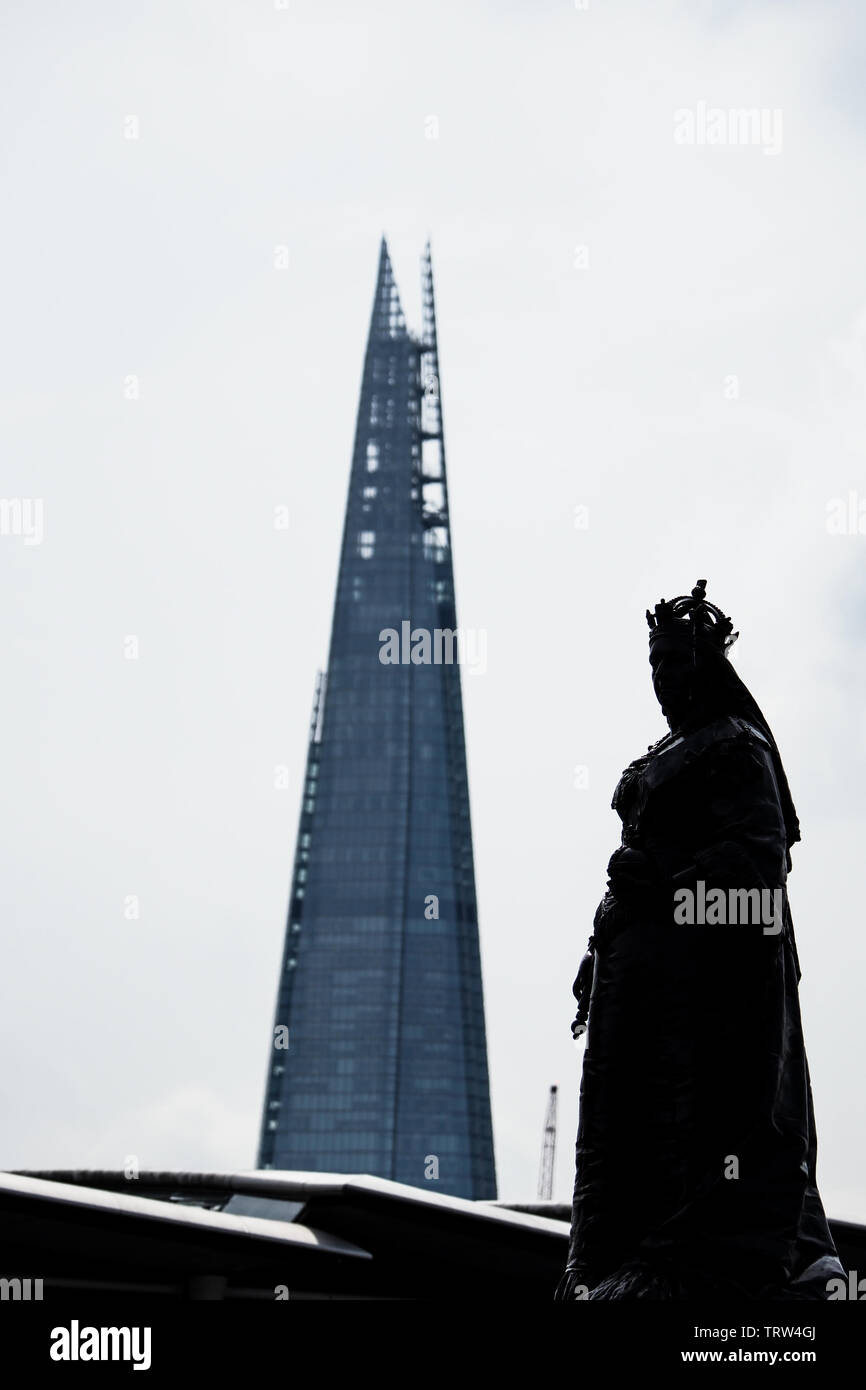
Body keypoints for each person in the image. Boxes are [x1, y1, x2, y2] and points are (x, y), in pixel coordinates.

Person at [555, 580, 845, 1300]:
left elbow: (758, 872)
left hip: (699, 998)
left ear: (706, 665)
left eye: (676, 664)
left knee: (698, 1135)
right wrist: (600, 949)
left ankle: (685, 1257)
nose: (663, 679)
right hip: (637, 987)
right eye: (655, 664)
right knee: (617, 1140)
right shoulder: (665, 749)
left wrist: (665, 889)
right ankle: (600, 1263)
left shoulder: (736, 748)